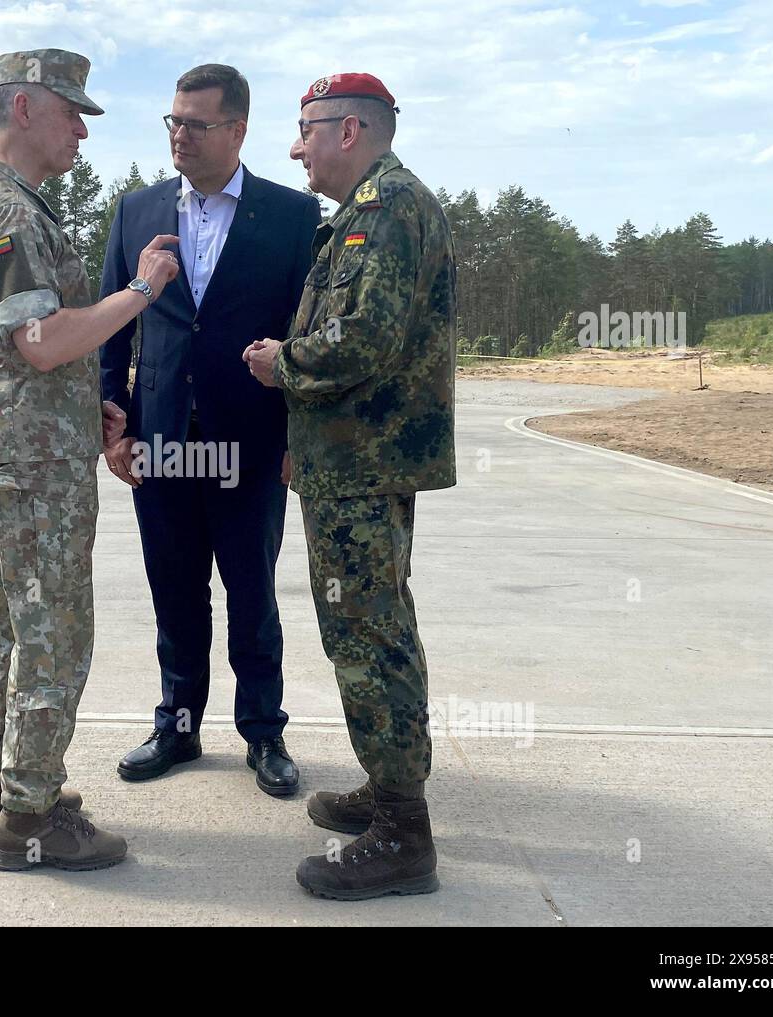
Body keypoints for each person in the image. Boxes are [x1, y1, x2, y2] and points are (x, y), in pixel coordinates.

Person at [0, 47, 179, 872]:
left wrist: (90, 402)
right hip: (35, 466)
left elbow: (32, 350)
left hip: (24, 449)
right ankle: (31, 816)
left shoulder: (7, 204)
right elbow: (40, 342)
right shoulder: (5, 212)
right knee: (54, 631)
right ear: (23, 110)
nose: (83, 129)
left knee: (4, 617)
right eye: (70, 110)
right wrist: (142, 289)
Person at [244, 72, 457, 899]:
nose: (294, 148)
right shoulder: (369, 211)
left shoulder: (387, 209)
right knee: (366, 631)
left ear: (349, 131)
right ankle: (387, 789)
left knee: (369, 638)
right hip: (349, 462)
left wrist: (280, 364)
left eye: (305, 130)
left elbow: (364, 338)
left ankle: (404, 830)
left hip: (366, 468)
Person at [100, 64, 322, 796]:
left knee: (251, 594)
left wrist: (298, 436)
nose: (179, 137)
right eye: (172, 122)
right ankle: (179, 725)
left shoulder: (292, 218)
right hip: (161, 441)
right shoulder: (136, 211)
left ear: (237, 130)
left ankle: (264, 731)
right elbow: (113, 328)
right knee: (175, 591)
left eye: (195, 124)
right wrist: (115, 422)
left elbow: (307, 331)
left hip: (249, 442)